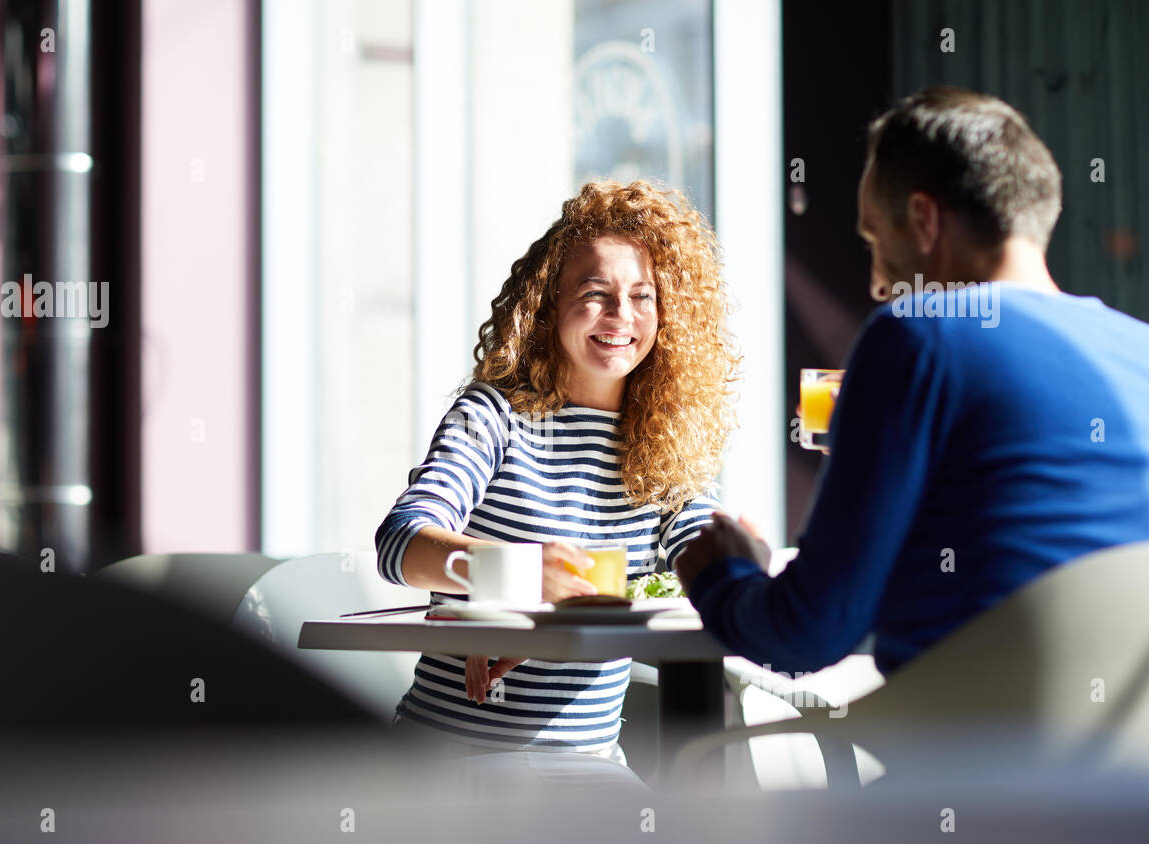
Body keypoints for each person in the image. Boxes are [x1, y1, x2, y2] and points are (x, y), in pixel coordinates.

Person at [675, 86, 1149, 677]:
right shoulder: (1140, 349)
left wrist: (722, 572)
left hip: (964, 756)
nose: (877, 281)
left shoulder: (920, 337)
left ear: (924, 220)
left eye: (875, 240)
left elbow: (806, 632)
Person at [375, 179, 738, 764]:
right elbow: (398, 544)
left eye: (643, 296)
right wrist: (510, 579)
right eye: (596, 292)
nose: (621, 315)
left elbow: (708, 559)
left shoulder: (663, 439)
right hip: (443, 762)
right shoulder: (493, 416)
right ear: (549, 302)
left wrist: (553, 616)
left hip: (587, 767)